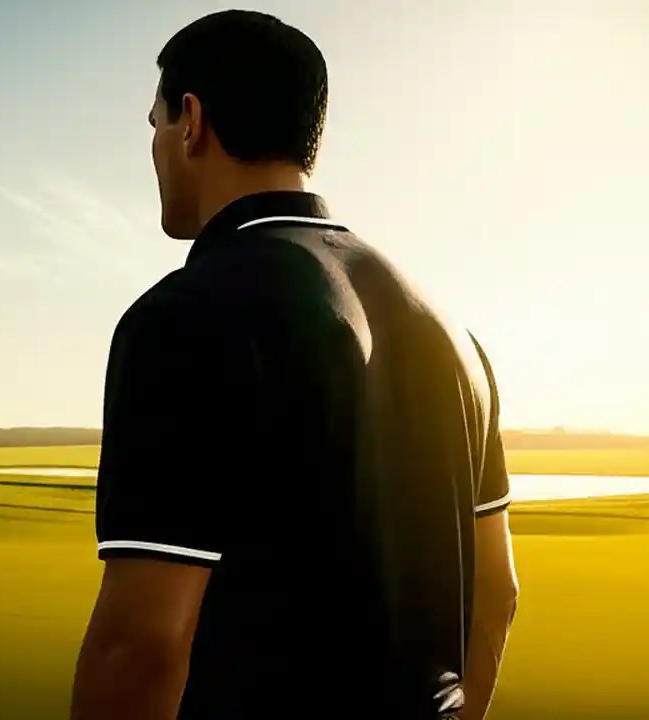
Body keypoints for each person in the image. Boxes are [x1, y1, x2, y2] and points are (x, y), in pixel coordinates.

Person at [71, 11, 518, 720]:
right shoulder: (449, 328)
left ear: (191, 120)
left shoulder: (186, 315)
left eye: (154, 122)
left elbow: (143, 644)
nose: (155, 147)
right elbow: (496, 594)